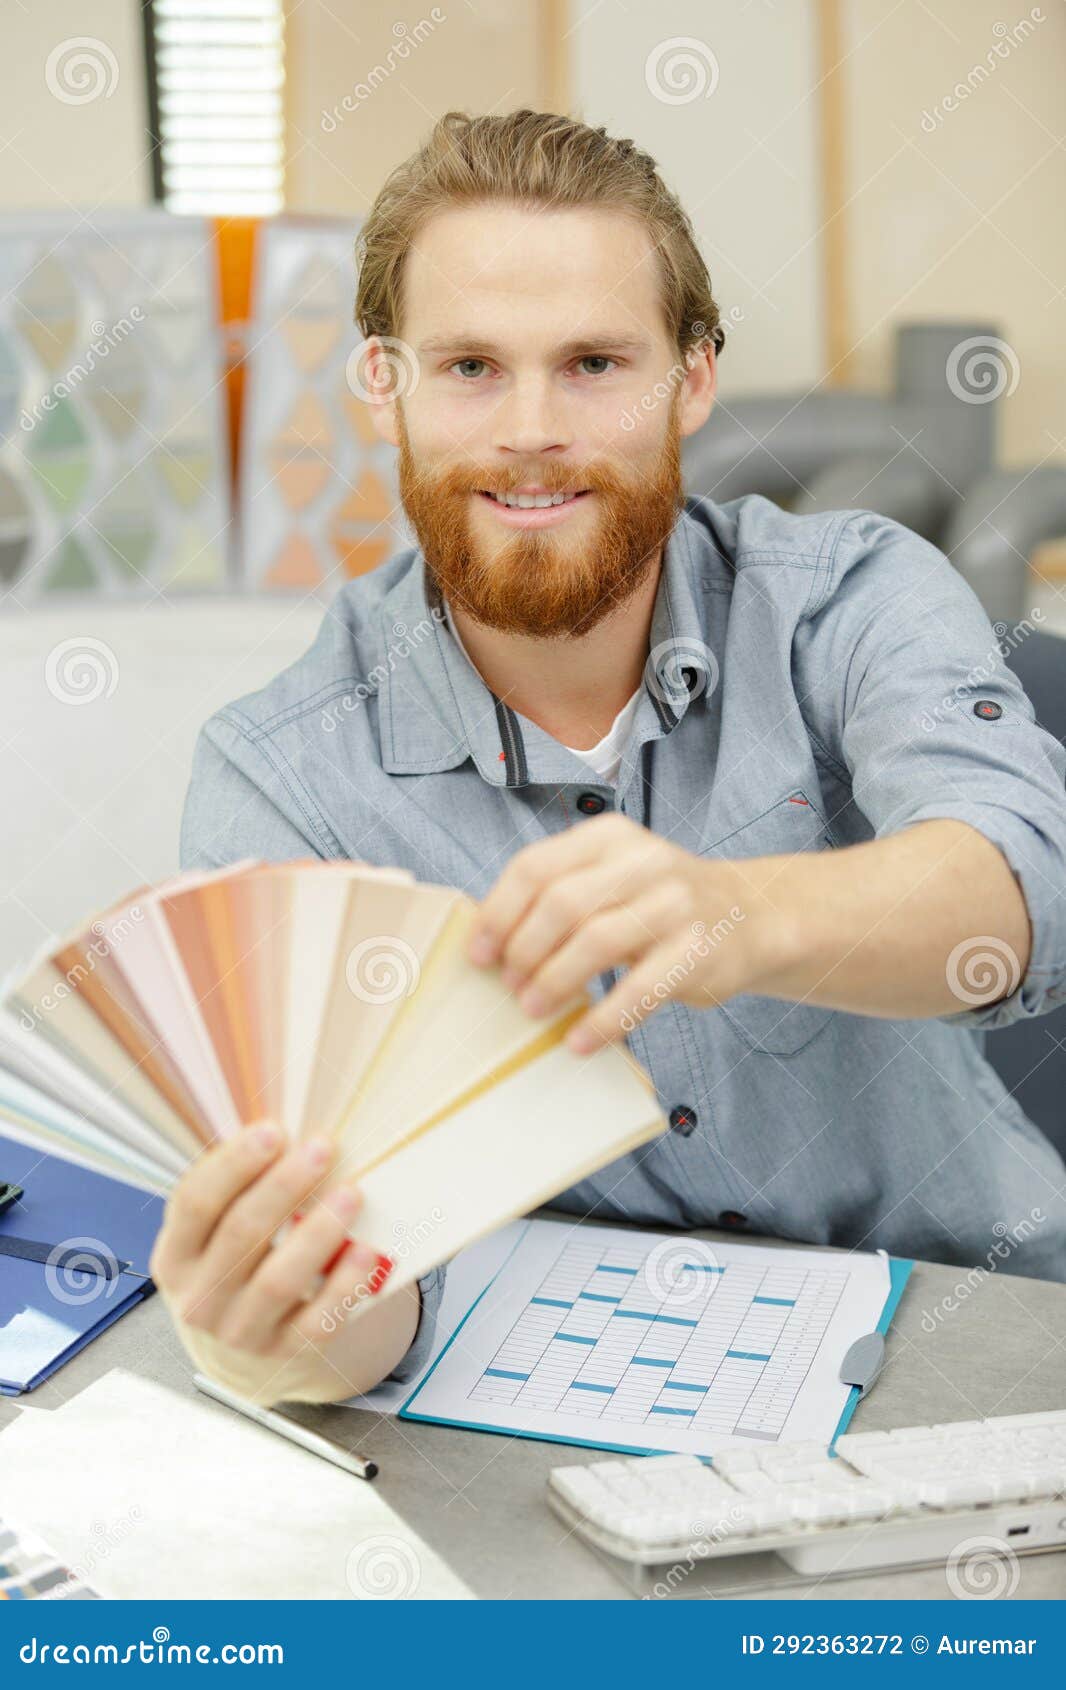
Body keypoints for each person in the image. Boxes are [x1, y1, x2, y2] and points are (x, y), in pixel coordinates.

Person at [151, 110, 1066, 1409]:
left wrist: (741, 911)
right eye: (469, 365)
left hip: (971, 1341)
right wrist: (282, 1330)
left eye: (592, 362)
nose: (531, 428)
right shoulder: (279, 777)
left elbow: (1029, 878)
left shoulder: (850, 590)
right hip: (561, 1414)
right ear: (382, 386)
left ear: (691, 378)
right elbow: (363, 1285)